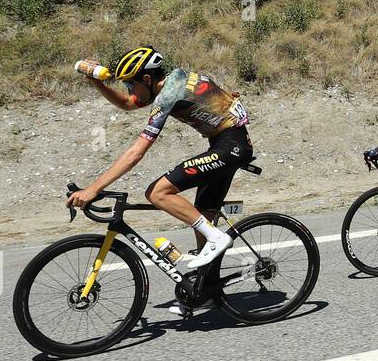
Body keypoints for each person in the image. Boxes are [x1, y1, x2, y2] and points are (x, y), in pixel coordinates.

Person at [67, 47, 252, 281]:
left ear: (146, 78)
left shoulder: (169, 94)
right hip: (227, 143)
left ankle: (217, 238)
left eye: (131, 84)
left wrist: (93, 188)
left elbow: (136, 153)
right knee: (201, 216)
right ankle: (204, 288)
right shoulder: (175, 79)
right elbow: (127, 103)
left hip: (230, 147)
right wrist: (97, 83)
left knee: (157, 192)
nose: (129, 90)